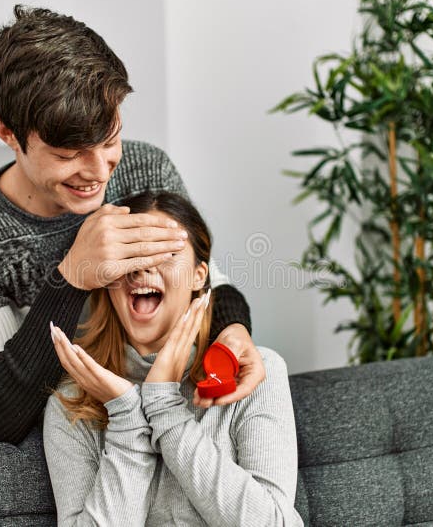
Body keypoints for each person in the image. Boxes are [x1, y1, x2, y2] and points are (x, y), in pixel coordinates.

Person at [0, 5, 264, 445]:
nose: (98, 171)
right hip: (73, 437)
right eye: (67, 155)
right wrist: (73, 276)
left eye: (109, 140)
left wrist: (232, 330)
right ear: (7, 132)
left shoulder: (145, 171)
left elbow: (205, 287)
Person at [44, 191, 303, 526]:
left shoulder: (254, 374)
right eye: (130, 253)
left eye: (165, 253)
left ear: (199, 276)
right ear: (108, 277)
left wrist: (165, 407)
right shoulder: (71, 404)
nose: (143, 267)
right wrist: (127, 416)